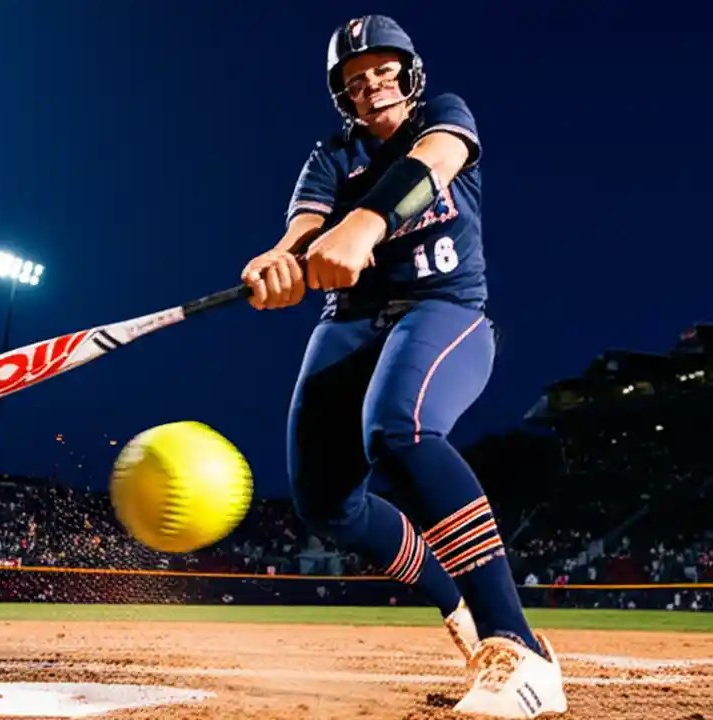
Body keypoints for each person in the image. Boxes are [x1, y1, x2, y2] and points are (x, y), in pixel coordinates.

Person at [239, 15, 566, 717]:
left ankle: (522, 647)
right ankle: (455, 602)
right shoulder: (330, 155)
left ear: (411, 74)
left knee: (401, 427)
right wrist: (282, 260)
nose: (371, 86)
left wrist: (365, 224)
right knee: (326, 504)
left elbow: (437, 162)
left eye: (384, 71)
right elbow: (302, 228)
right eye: (356, 81)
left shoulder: (444, 116)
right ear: (343, 99)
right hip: (350, 323)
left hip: (444, 312)